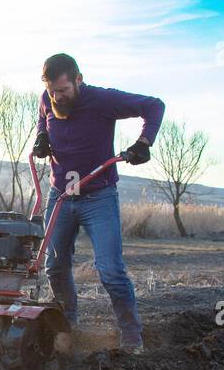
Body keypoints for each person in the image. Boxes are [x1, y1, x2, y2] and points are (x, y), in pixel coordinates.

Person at [33, 52, 164, 352]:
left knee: (110, 271)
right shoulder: (46, 99)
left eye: (63, 91)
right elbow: (43, 116)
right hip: (61, 197)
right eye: (52, 91)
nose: (57, 97)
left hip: (99, 197)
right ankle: (68, 329)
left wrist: (144, 143)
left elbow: (154, 106)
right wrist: (42, 136)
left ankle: (131, 337)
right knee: (54, 265)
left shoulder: (102, 101)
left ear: (79, 79)